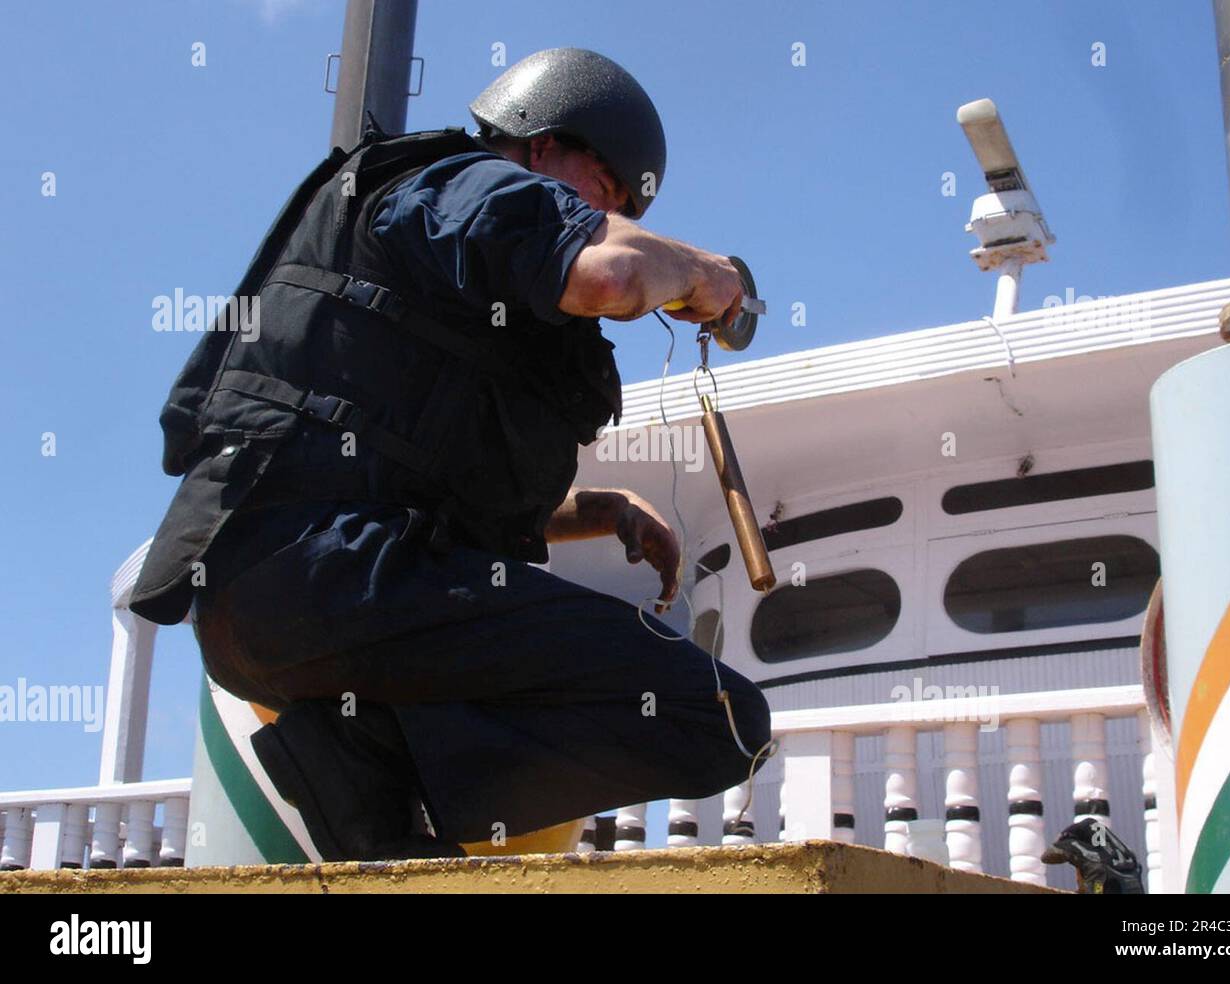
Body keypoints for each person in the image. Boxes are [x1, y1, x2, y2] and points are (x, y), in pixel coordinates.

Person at [129, 47, 772, 861]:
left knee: (410, 860)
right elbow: (613, 278)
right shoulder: (465, 182)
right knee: (716, 718)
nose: (611, 217)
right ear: (542, 146)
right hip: (327, 575)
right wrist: (706, 276)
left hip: (294, 600)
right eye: (607, 192)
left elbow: (408, 466)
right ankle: (358, 764)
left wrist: (597, 510)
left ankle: (370, 789)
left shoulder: (449, 270)